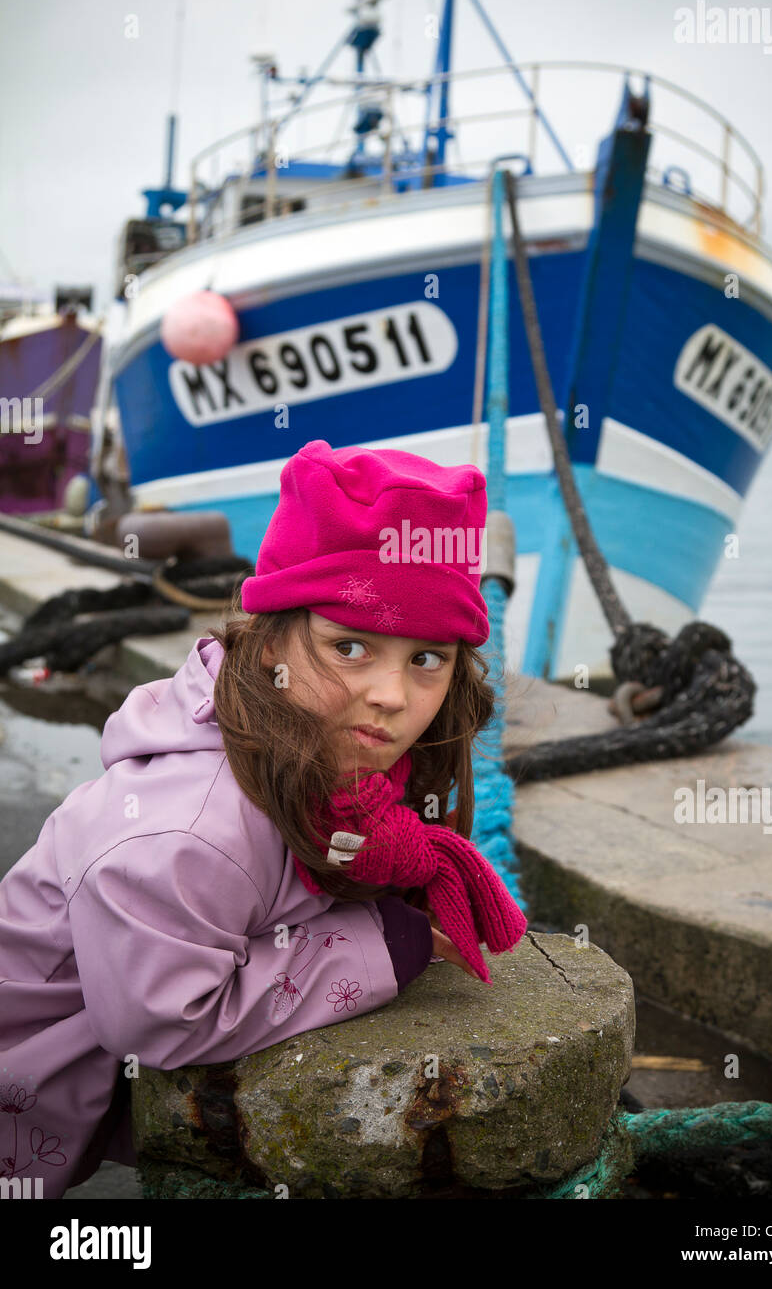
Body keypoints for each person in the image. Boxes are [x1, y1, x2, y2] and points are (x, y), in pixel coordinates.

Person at [0, 439, 527, 1198]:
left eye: (426, 659)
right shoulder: (186, 835)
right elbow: (162, 1020)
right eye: (350, 646)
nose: (390, 694)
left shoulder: (333, 773)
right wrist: (383, 945)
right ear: (271, 635)